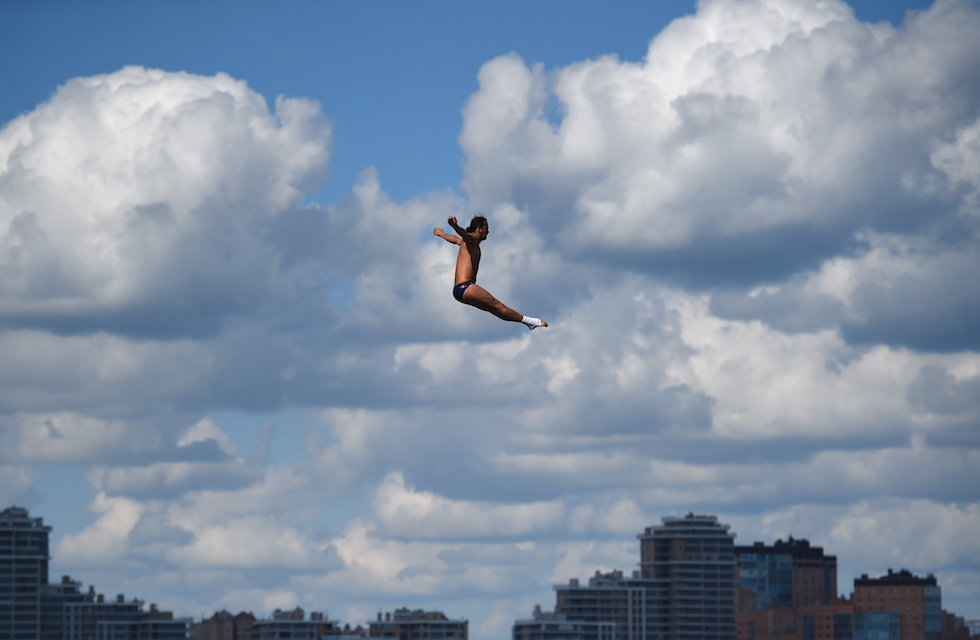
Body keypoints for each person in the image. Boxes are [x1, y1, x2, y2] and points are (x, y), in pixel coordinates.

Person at [433, 215, 548, 330]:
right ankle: (531, 321)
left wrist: (441, 233)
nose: (488, 232)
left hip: (460, 290)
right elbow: (465, 235)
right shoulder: (471, 240)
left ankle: (528, 322)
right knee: (498, 306)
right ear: (479, 229)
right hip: (465, 287)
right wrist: (454, 225)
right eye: (486, 229)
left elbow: (455, 239)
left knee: (496, 309)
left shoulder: (467, 243)